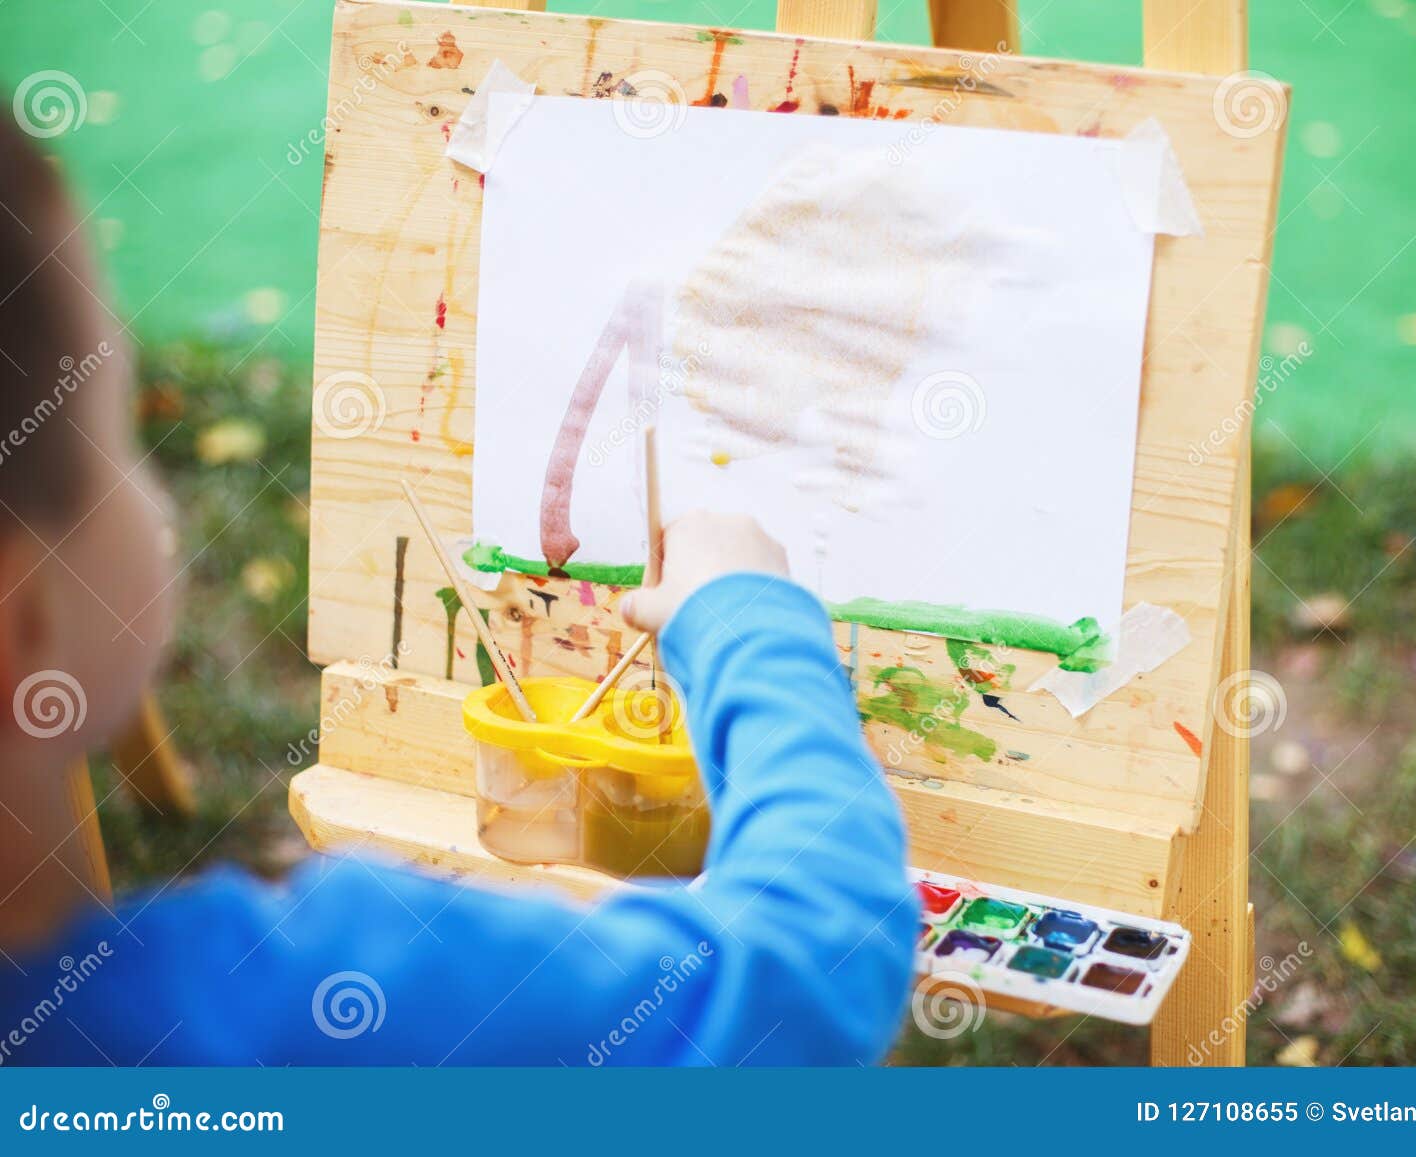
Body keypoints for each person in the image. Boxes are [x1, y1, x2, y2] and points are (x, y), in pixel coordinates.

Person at [0, 118, 917, 1065]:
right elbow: (808, 966)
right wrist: (751, 619)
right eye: (118, 442)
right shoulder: (329, 1002)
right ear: (22, 628)